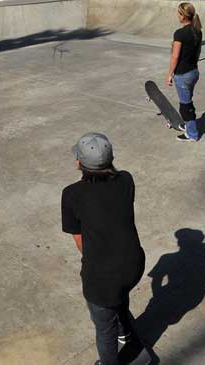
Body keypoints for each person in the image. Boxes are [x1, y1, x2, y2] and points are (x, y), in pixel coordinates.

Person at [62, 133, 145, 365]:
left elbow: (80, 242)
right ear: (111, 158)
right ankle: (126, 332)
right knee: (119, 294)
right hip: (134, 264)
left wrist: (96, 264)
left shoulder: (71, 195)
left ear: (79, 164)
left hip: (102, 278)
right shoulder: (127, 180)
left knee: (104, 327)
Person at [168, 2, 203, 142]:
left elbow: (175, 56)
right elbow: (198, 50)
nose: (177, 16)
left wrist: (170, 74)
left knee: (185, 106)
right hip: (194, 72)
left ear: (183, 16)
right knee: (187, 102)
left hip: (183, 75)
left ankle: (192, 134)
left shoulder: (180, 33)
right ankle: (189, 126)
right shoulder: (197, 30)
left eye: (178, 13)